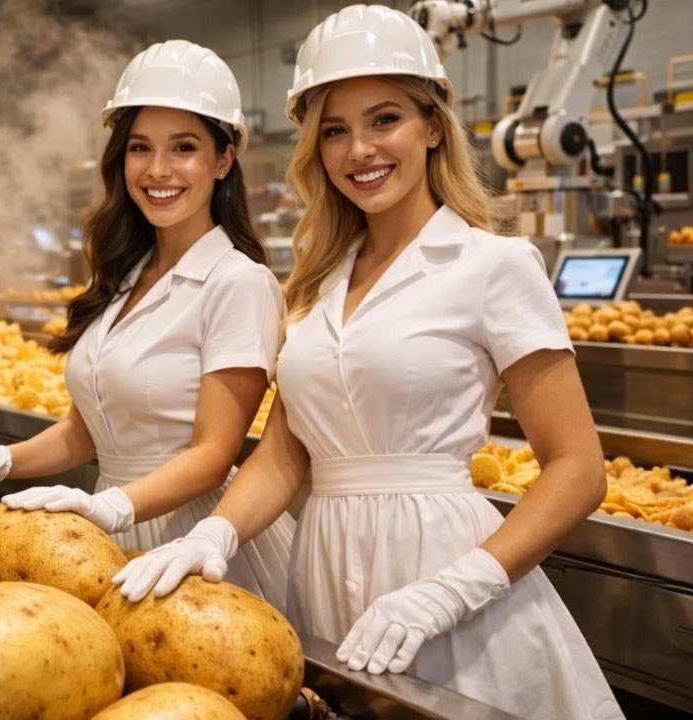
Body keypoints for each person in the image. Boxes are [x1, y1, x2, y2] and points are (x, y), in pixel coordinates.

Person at [110, 6, 623, 719]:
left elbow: (578, 469)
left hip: (448, 576)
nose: (359, 150)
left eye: (385, 120)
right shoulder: (316, 283)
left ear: (433, 126)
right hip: (322, 570)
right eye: (335, 131)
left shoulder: (493, 265)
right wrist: (214, 533)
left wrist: (453, 590)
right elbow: (284, 455)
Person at [0, 39, 295, 609]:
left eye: (183, 147)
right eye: (140, 148)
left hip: (192, 540)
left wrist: (112, 507)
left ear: (223, 160)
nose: (157, 169)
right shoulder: (126, 273)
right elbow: (87, 431)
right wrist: (1, 459)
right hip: (105, 528)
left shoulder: (238, 282)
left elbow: (214, 454)